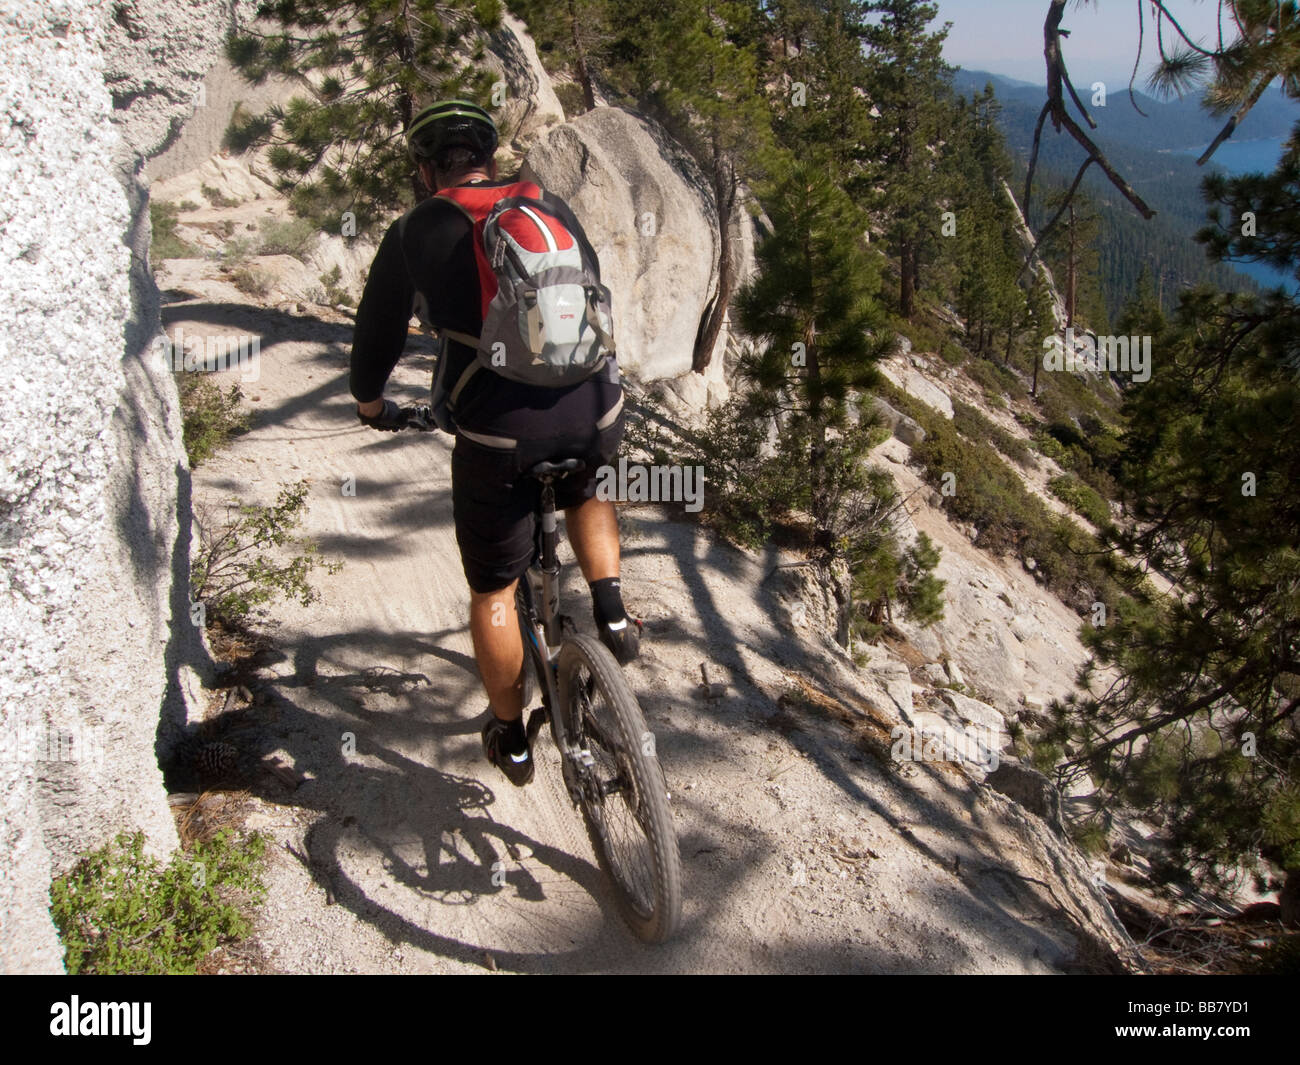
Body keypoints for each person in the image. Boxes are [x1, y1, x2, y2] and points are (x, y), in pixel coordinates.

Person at [349, 100, 639, 788]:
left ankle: (510, 734)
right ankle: (614, 610)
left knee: (495, 589)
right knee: (588, 486)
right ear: (489, 154)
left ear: (426, 170)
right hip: (595, 403)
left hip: (501, 433)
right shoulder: (550, 205)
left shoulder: (417, 228)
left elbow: (377, 331)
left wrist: (372, 403)